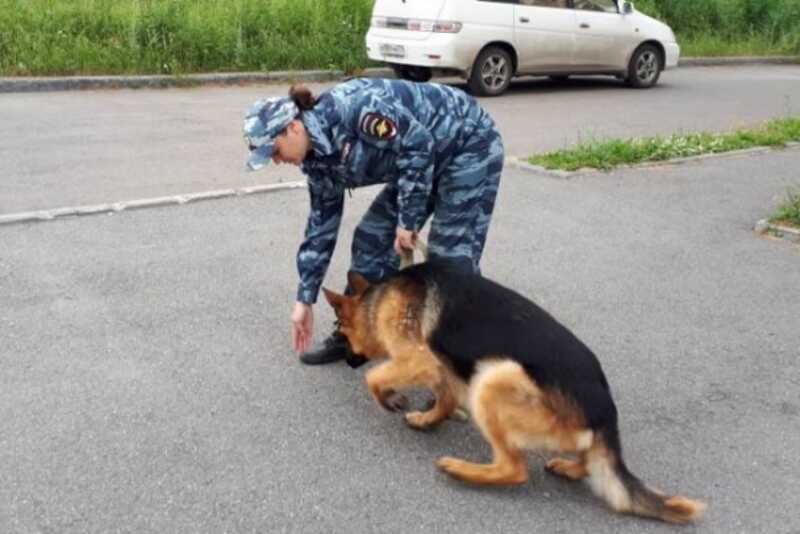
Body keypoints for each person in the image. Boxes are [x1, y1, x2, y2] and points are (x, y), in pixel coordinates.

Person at [243, 78, 504, 365]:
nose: (277, 161)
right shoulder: (316, 160)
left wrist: (408, 220)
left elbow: (418, 146)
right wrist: (304, 299)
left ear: (293, 128)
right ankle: (355, 331)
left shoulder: (357, 111)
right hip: (417, 166)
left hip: (466, 144)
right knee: (371, 239)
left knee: (450, 261)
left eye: (275, 151)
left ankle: (464, 365)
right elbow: (321, 229)